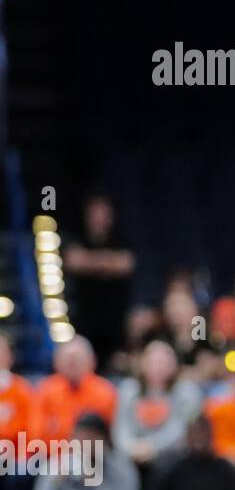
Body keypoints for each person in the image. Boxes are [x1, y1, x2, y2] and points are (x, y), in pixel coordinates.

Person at [63, 195, 135, 364]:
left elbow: (126, 263)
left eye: (103, 213)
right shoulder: (77, 236)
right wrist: (108, 263)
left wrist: (90, 262)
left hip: (114, 320)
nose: (99, 218)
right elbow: (74, 261)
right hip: (84, 317)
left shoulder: (121, 237)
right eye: (95, 213)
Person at [113, 339, 203, 468]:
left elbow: (180, 430)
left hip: (172, 456)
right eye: (153, 362)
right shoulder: (128, 390)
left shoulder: (188, 392)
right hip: (132, 456)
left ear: (175, 364)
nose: (159, 367)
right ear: (142, 363)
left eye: (164, 363)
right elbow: (121, 429)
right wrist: (131, 449)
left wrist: (152, 447)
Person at [31, 336, 117, 445]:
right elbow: (36, 434)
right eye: (68, 361)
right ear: (56, 363)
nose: (73, 365)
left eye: (78, 360)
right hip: (53, 456)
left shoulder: (105, 392)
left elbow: (110, 434)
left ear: (92, 361)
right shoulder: (45, 391)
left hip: (94, 455)